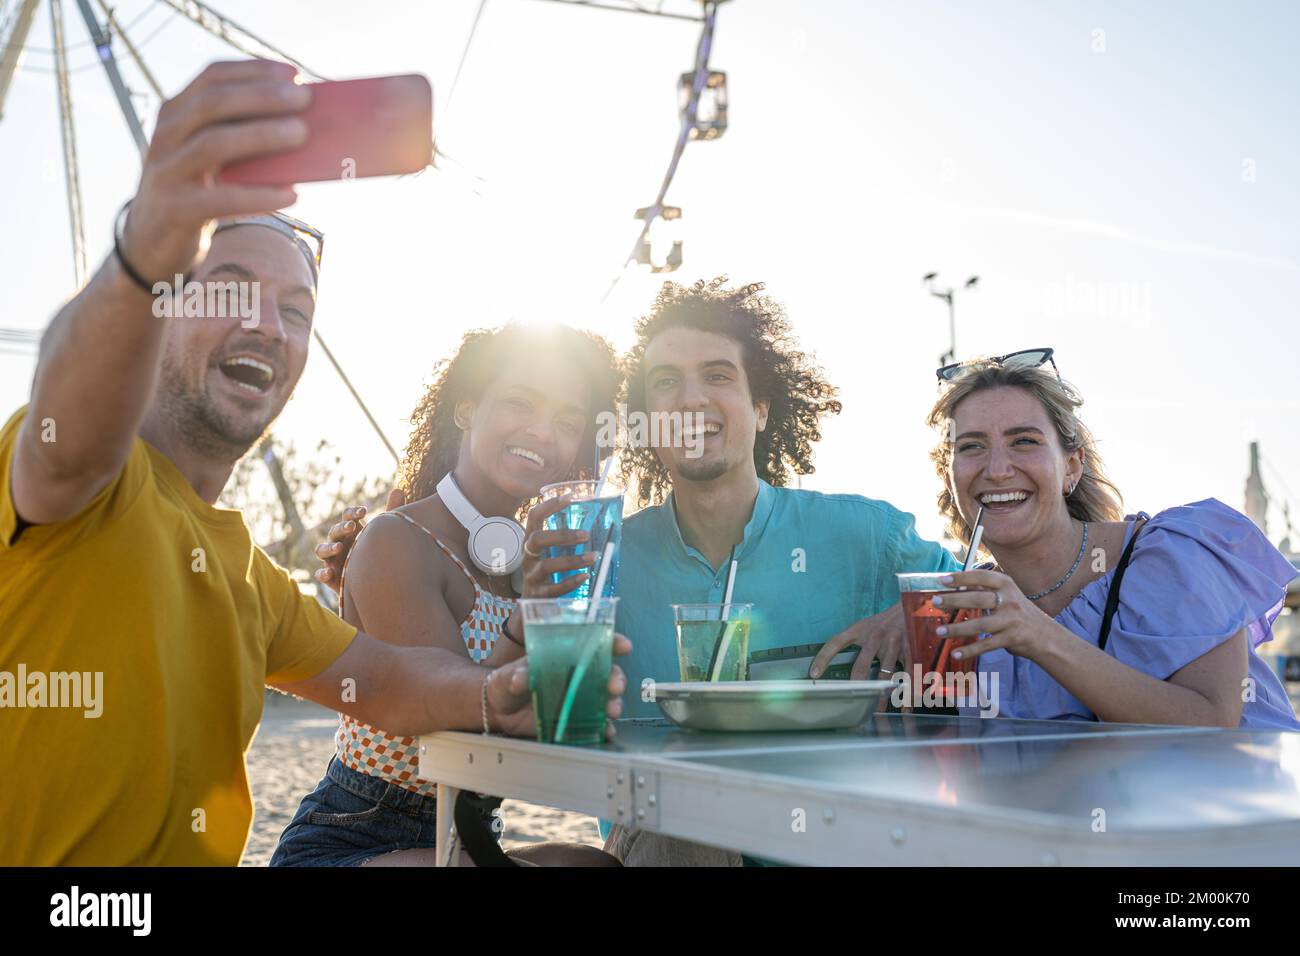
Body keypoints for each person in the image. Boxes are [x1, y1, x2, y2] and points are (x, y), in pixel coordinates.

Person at [0, 59, 627, 866]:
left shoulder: (247, 577)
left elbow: (392, 683)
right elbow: (70, 400)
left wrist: (495, 694)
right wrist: (153, 236)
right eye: (228, 290)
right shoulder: (72, 480)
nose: (267, 325)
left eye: (296, 311)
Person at [319, 277, 960, 865]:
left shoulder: (859, 535)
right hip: (378, 828)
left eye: (716, 375)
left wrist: (917, 613)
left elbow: (986, 591)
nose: (690, 400)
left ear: (763, 408)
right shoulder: (587, 559)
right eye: (665, 382)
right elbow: (467, 714)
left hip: (836, 841)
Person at [272, 324, 624, 866]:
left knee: (596, 864)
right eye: (518, 402)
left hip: (466, 833)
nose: (543, 431)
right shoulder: (395, 540)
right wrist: (525, 619)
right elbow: (454, 734)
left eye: (568, 421)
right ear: (465, 409)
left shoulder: (538, 559)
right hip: (356, 833)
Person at [912, 351, 1299, 728]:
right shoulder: (967, 612)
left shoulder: (1173, 555)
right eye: (971, 446)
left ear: (1072, 467)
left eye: (1024, 441)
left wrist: (1040, 636)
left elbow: (1212, 722)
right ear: (949, 476)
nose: (996, 470)